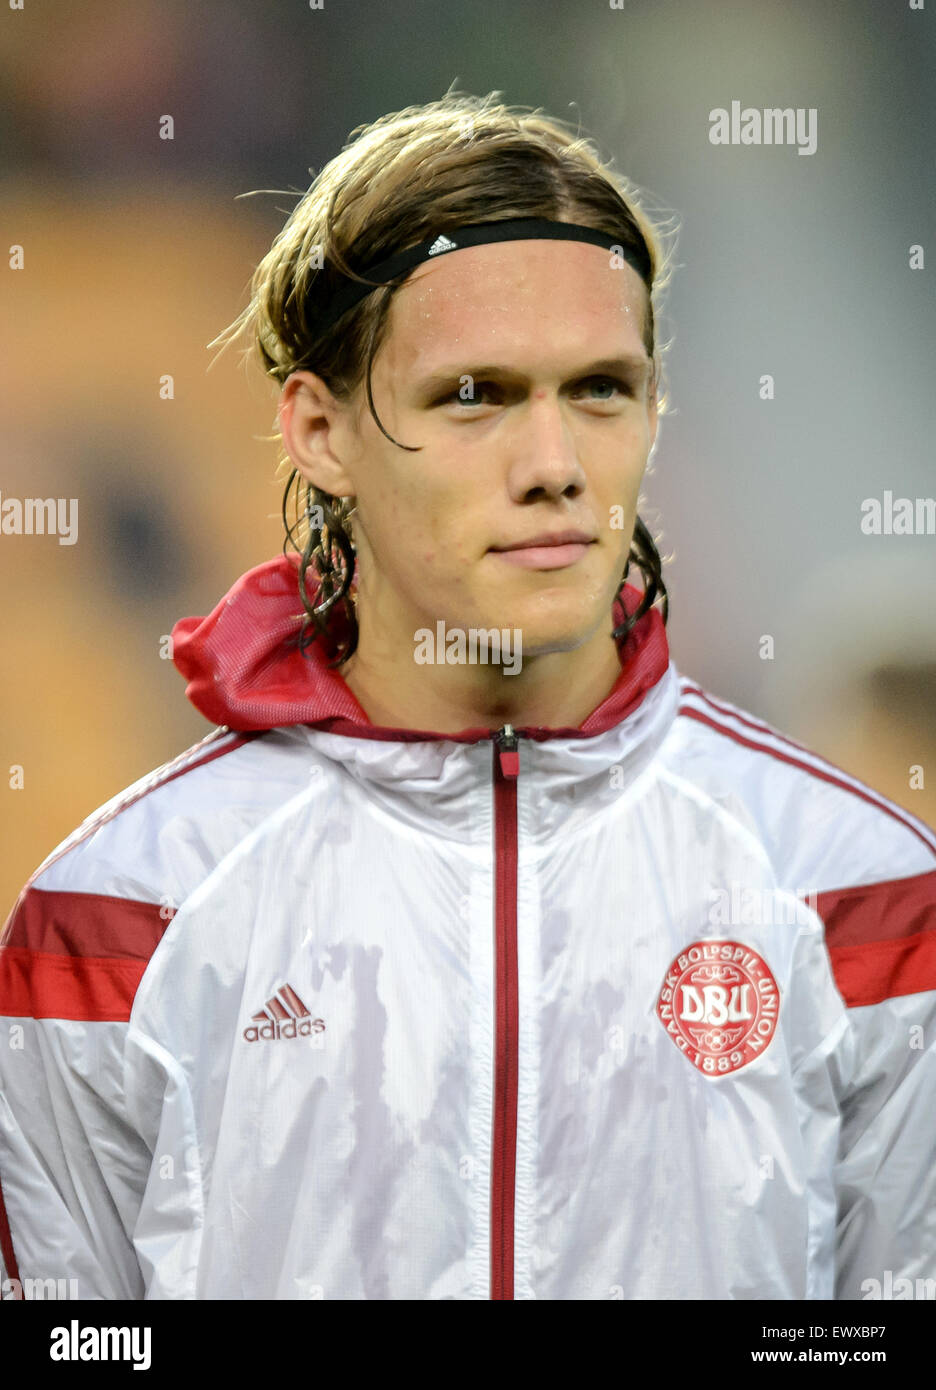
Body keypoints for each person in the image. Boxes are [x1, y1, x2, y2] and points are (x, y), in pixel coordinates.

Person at [1, 91, 934, 1302]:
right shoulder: (116, 918)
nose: (554, 467)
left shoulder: (863, 895)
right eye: (473, 396)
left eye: (600, 389)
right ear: (319, 428)